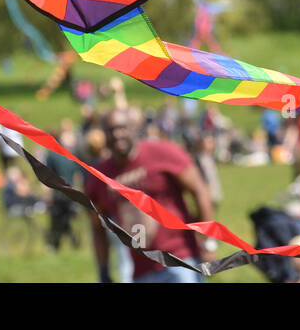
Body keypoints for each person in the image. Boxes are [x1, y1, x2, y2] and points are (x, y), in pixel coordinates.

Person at [86, 108, 215, 283]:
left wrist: (207, 243)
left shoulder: (162, 153)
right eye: (110, 130)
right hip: (141, 270)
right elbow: (97, 227)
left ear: (133, 128)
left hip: (180, 259)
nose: (117, 135)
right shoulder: (100, 177)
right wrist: (103, 270)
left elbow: (200, 190)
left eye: (122, 128)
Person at [44, 119, 82, 251]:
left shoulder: (51, 155)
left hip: (59, 192)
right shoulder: (70, 153)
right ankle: (74, 242)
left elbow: (47, 177)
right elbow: (77, 174)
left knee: (56, 219)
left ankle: (55, 246)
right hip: (71, 190)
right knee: (65, 219)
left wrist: (47, 195)